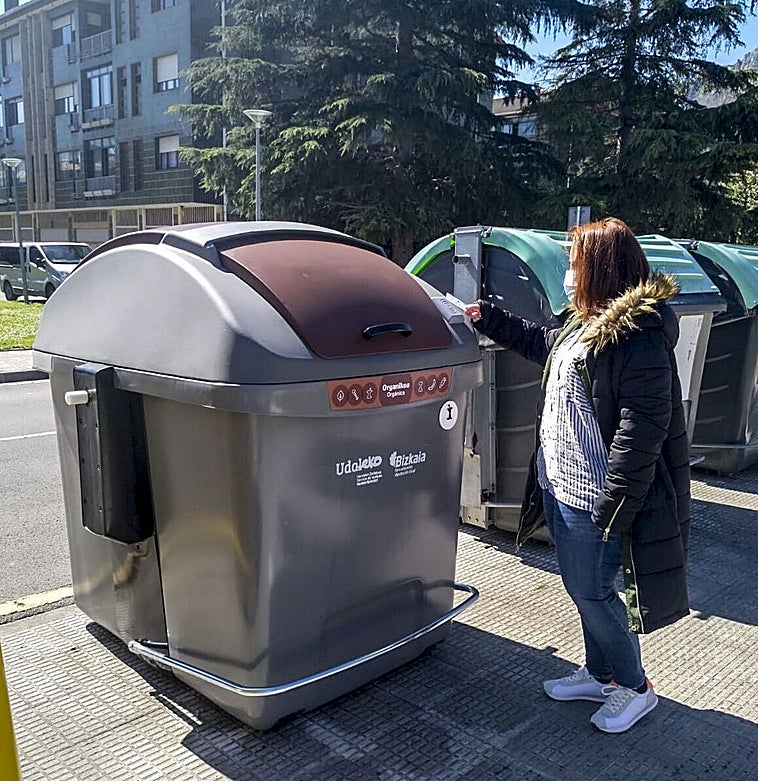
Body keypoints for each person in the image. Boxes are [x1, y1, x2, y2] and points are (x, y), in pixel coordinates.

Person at [465, 217, 690, 734]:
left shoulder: (639, 338)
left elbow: (642, 429)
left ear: (600, 269)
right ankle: (600, 672)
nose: (568, 273)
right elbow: (547, 347)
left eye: (575, 263)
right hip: (560, 482)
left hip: (597, 495)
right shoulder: (582, 322)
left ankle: (634, 687)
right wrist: (491, 320)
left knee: (594, 591)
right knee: (578, 585)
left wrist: (615, 501)